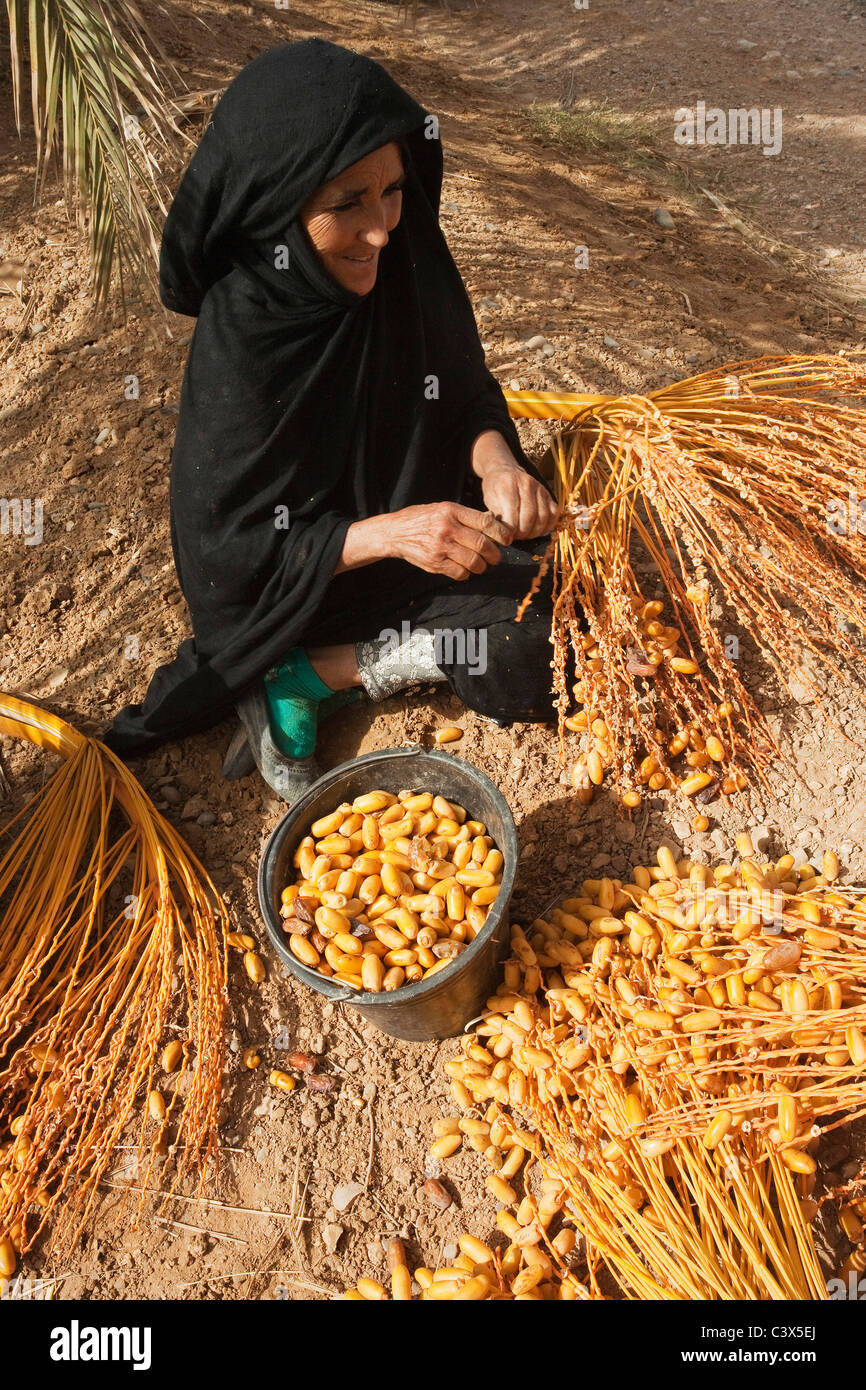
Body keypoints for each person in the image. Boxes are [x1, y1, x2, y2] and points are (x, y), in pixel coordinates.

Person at [105, 38, 559, 800]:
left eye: (393, 190)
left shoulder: (404, 248)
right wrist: (395, 533)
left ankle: (368, 656)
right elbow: (230, 556)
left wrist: (496, 464)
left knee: (552, 642)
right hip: (307, 583)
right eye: (346, 204)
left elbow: (461, 385)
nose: (381, 229)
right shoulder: (248, 331)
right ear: (281, 206)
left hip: (429, 541)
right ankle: (313, 671)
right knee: (506, 647)